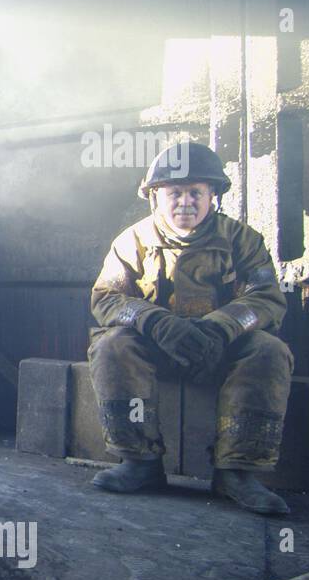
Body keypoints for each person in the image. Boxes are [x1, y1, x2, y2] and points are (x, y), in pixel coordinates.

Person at [88, 141, 293, 515]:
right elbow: (106, 299)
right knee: (112, 345)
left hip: (222, 349)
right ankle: (140, 462)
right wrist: (154, 321)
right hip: (156, 349)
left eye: (196, 192)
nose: (185, 202)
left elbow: (266, 297)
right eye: (175, 193)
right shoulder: (131, 242)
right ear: (155, 197)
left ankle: (236, 472)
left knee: (268, 350)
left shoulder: (243, 241)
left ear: (213, 196)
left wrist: (220, 328)